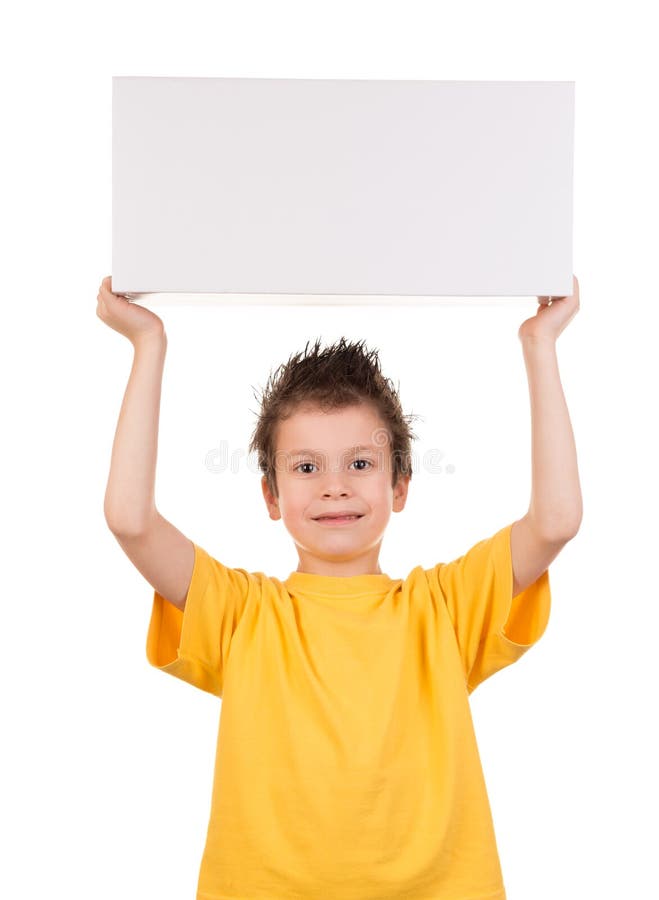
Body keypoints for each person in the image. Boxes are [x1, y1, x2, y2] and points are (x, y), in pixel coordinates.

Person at [98, 274, 582, 900]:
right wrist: (148, 344)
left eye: (360, 462)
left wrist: (540, 345)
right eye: (306, 467)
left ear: (399, 487)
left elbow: (557, 520)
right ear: (271, 496)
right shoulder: (243, 614)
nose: (335, 486)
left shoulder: (444, 608)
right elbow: (130, 519)